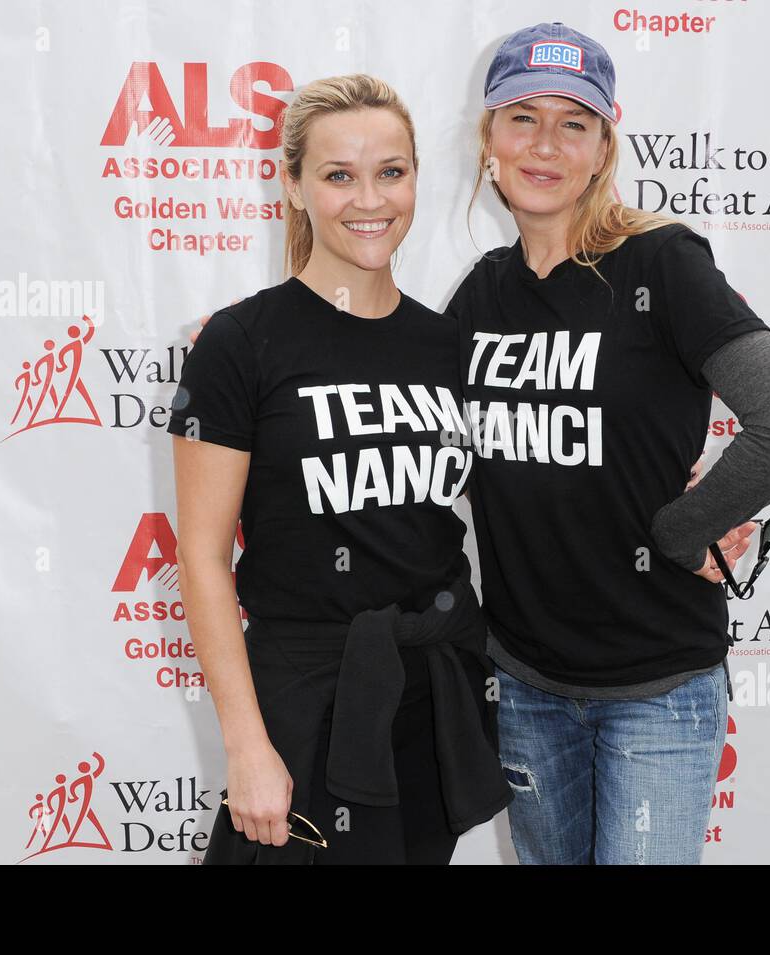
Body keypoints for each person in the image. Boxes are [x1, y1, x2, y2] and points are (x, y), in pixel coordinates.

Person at [444, 21, 770, 864]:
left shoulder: (660, 263)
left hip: (654, 689)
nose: (545, 143)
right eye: (522, 117)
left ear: (602, 146)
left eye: (572, 122)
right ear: (489, 139)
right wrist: (277, 338)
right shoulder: (480, 295)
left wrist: (687, 526)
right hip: (526, 682)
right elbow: (411, 427)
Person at [167, 74, 512, 865]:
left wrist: (688, 514)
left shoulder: (448, 346)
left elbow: (532, 494)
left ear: (418, 177)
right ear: (292, 185)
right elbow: (201, 558)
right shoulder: (240, 344)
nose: (370, 198)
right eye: (338, 174)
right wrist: (247, 747)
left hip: (428, 698)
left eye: (391, 171)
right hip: (301, 703)